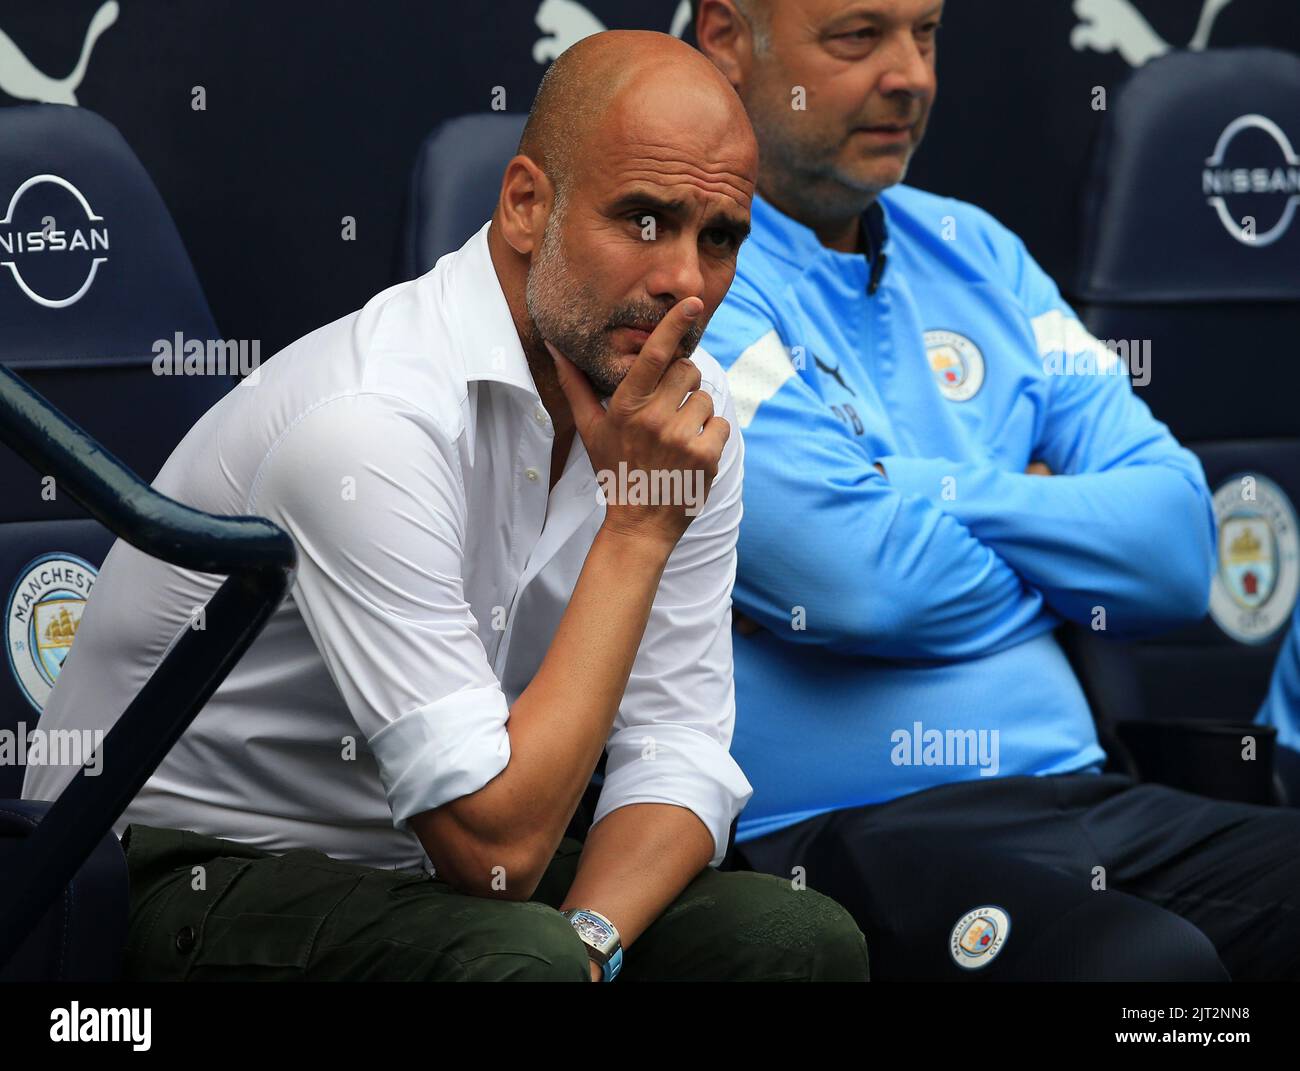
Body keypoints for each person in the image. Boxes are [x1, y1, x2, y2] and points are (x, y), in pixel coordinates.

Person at [22, 30, 868, 983]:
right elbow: (494, 854)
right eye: (642, 219)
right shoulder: (371, 423)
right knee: (516, 956)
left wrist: (592, 943)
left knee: (796, 939)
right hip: (165, 871)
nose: (685, 280)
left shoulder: (682, 412)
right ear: (524, 206)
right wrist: (635, 527)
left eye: (718, 237)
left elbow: (676, 756)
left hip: (430, 876)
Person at [694, 0, 1300, 980]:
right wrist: (1057, 555)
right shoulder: (690, 264)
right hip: (835, 835)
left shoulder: (977, 252)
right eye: (858, 37)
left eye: (925, 33)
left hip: (1081, 797)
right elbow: (858, 582)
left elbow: (1181, 553)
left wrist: (919, 489)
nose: (911, 76)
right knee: (1140, 973)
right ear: (726, 37)